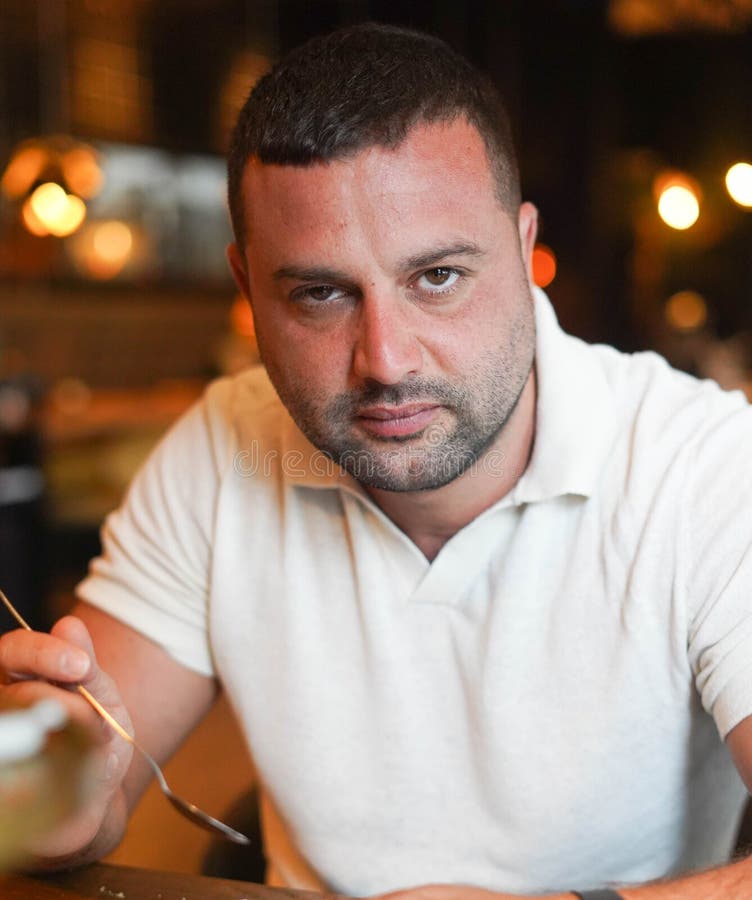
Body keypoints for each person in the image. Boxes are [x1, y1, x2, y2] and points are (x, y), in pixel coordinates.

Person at [1, 22, 752, 900]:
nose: (386, 360)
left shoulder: (705, 467)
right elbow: (68, 799)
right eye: (321, 294)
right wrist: (47, 798)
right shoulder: (223, 443)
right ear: (249, 290)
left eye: (436, 277)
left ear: (522, 249)